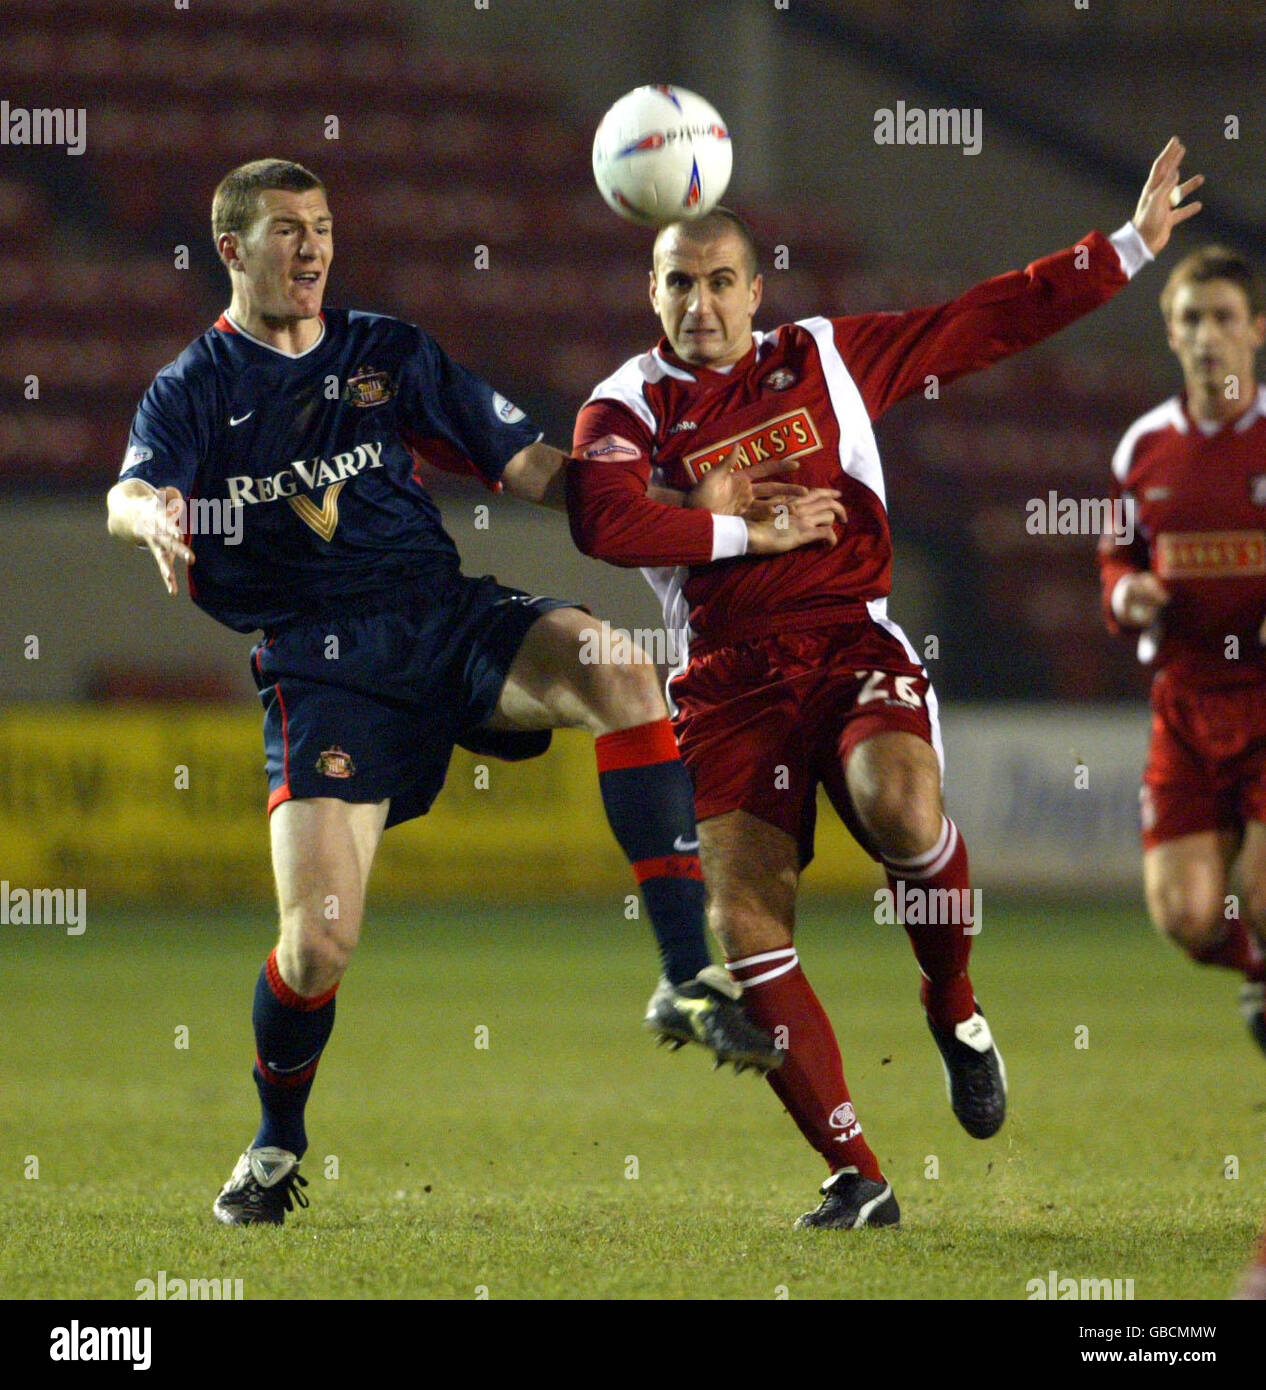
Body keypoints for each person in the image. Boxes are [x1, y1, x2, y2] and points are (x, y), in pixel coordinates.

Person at [105, 158, 842, 1226]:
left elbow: (530, 465)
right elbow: (130, 490)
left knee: (617, 667)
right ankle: (274, 1142)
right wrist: (155, 517)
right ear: (232, 248)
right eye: (286, 229)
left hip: (441, 615)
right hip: (323, 668)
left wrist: (679, 502)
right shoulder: (194, 387)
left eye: (322, 226)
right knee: (316, 944)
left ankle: (686, 975)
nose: (312, 248)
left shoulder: (386, 352)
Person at [567, 139, 1202, 1229]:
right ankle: (857, 1175)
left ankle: (952, 1002)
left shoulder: (825, 356)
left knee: (900, 805)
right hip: (723, 683)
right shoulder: (625, 406)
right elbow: (602, 522)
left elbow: (984, 319)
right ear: (652, 291)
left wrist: (1129, 246)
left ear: (756, 291)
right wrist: (728, 521)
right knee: (744, 923)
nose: (701, 304)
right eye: (679, 283)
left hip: (848, 645)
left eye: (720, 281)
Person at [1098, 245, 1266, 1058]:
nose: (1207, 336)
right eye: (1190, 319)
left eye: (1223, 317)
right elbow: (1115, 558)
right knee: (1189, 916)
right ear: (1170, 333)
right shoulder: (1143, 448)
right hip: (1187, 704)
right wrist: (1126, 594)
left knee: (1262, 895)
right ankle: (1257, 970)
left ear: (1257, 330)